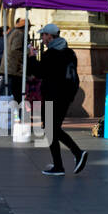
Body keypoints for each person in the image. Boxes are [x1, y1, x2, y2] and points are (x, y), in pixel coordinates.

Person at [29, 23, 87, 177]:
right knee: (52, 129)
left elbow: (38, 72)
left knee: (51, 129)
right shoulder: (70, 53)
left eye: (44, 35)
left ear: (50, 35)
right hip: (66, 96)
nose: (42, 38)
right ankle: (62, 163)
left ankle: (74, 155)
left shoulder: (52, 54)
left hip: (52, 96)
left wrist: (32, 57)